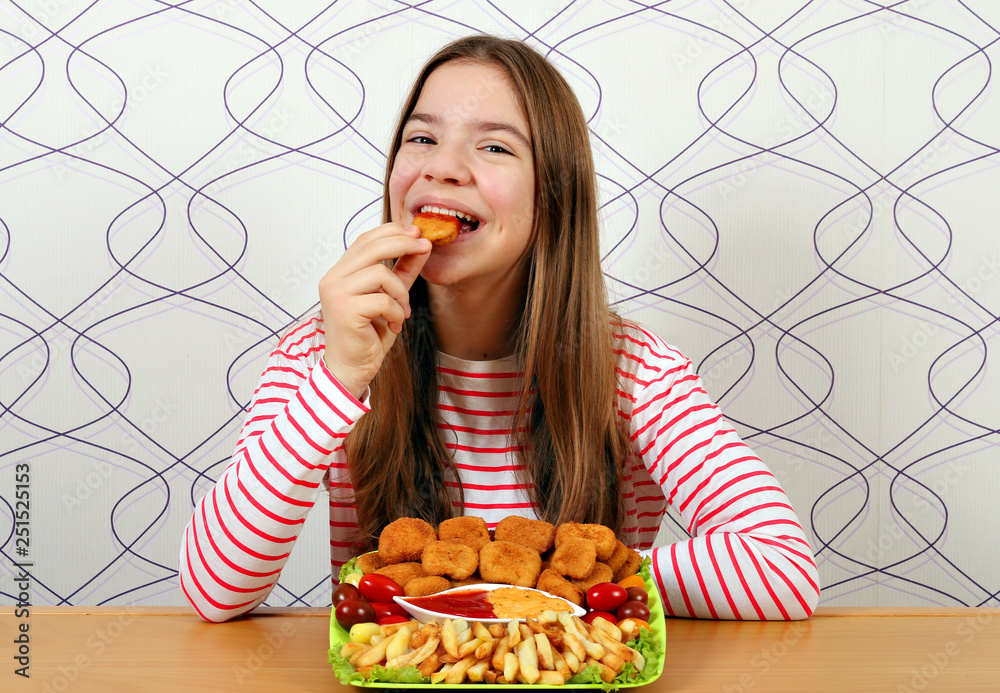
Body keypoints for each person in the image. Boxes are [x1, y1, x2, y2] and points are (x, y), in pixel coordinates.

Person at [179, 34, 820, 623]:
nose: (443, 168)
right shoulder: (325, 354)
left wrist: (556, 581)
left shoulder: (634, 370)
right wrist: (340, 379)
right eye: (421, 139)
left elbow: (782, 566)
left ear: (553, 197)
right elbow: (214, 591)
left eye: (493, 146)